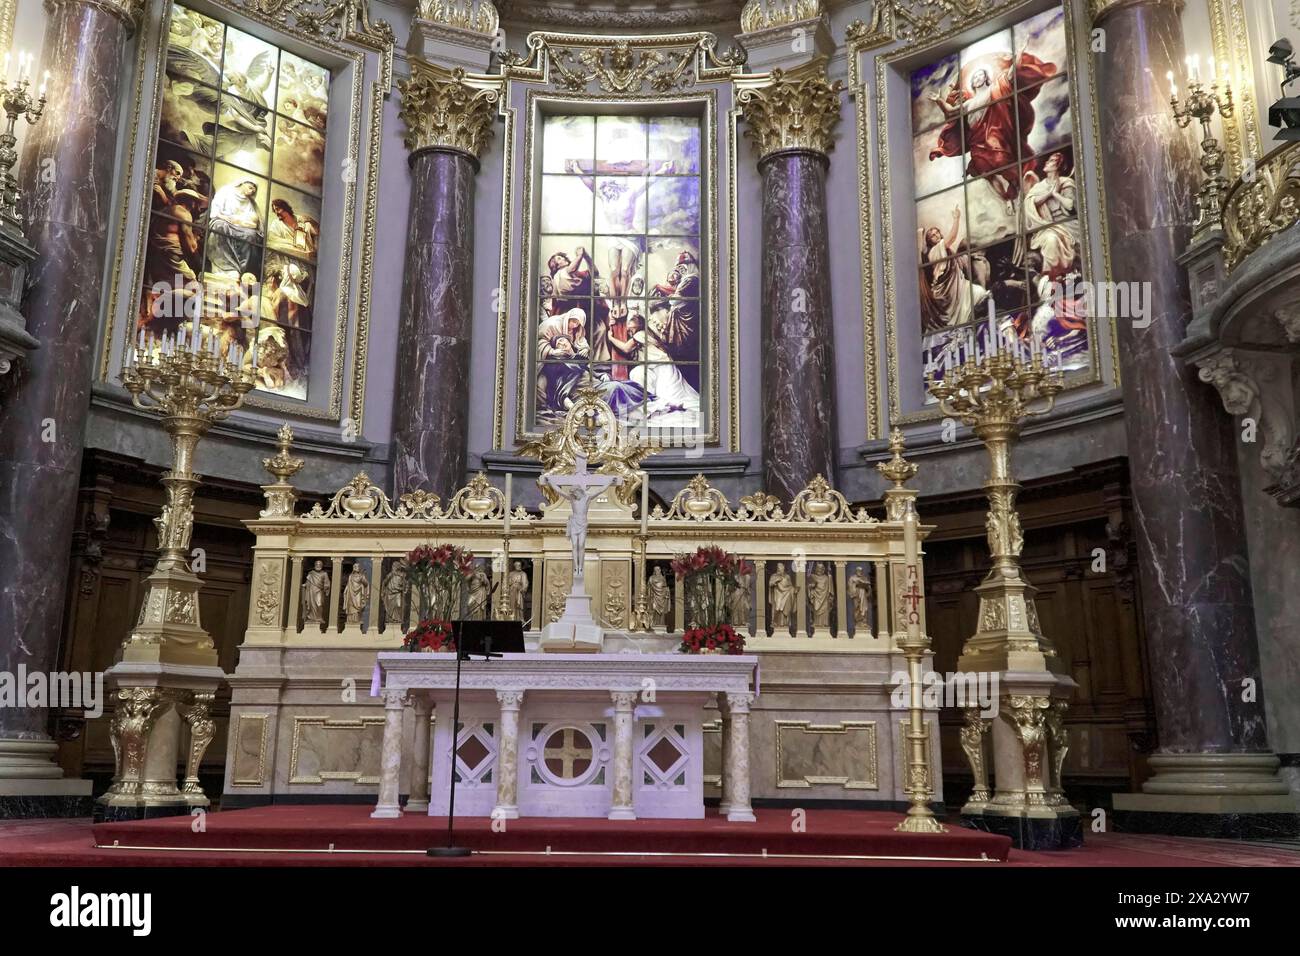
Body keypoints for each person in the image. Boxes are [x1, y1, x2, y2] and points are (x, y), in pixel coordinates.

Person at [927, 51, 1058, 212]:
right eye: (974, 77)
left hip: (995, 133)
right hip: (977, 139)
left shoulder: (996, 88)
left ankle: (1016, 186)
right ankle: (1006, 199)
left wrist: (1018, 56)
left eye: (980, 75)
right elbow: (950, 112)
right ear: (972, 84)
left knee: (1000, 160)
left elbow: (1011, 74)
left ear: (986, 77)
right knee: (984, 170)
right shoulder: (969, 104)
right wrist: (939, 101)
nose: (977, 78)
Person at [919, 206, 989, 333]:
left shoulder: (947, 251)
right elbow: (951, 238)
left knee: (980, 293)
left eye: (936, 233)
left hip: (961, 287)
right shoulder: (934, 252)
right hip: (948, 294)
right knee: (976, 297)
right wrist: (956, 219)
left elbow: (959, 263)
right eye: (932, 236)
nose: (936, 236)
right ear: (930, 242)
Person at [1021, 152, 1078, 280]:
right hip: (1046, 227)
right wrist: (1049, 194)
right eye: (1048, 160)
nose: (1047, 162)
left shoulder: (1066, 182)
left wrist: (1056, 194)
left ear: (1058, 166)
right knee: (1051, 239)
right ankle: (1050, 277)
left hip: (1067, 225)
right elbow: (1030, 202)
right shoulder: (1039, 187)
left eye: (1051, 161)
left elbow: (1070, 206)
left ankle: (1061, 276)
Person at [208, 180, 263, 277]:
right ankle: (223, 266)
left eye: (254, 191)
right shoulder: (226, 192)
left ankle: (240, 269)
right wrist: (225, 218)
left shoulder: (250, 203)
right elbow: (215, 211)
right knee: (220, 226)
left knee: (251, 235)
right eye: (250, 187)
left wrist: (238, 221)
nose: (252, 191)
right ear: (242, 183)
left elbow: (253, 222)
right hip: (223, 220)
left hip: (240, 227)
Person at [302, 560, 330, 628]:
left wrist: (326, 587)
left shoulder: (324, 574)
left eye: (319, 564)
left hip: (319, 591)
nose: (318, 565)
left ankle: (319, 617)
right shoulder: (311, 573)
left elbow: (327, 583)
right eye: (317, 564)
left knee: (319, 604)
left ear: (322, 566)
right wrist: (305, 585)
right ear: (315, 565)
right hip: (311, 591)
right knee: (311, 604)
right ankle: (311, 618)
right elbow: (308, 582)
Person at [768, 563, 795, 632]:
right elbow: (770, 584)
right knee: (777, 609)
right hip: (777, 595)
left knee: (785, 610)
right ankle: (776, 623)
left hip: (786, 595)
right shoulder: (774, 576)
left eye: (782, 568)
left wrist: (793, 590)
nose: (781, 570)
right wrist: (776, 581)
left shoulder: (787, 576)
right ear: (777, 569)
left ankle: (785, 624)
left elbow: (790, 586)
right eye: (779, 568)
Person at [809, 562, 834, 629]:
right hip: (816, 597)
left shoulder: (827, 578)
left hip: (825, 598)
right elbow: (808, 587)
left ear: (823, 569)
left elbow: (830, 590)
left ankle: (824, 624)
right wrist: (812, 586)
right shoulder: (812, 576)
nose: (819, 570)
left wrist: (830, 596)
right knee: (816, 610)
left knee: (825, 611)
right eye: (818, 568)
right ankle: (816, 624)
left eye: (821, 568)